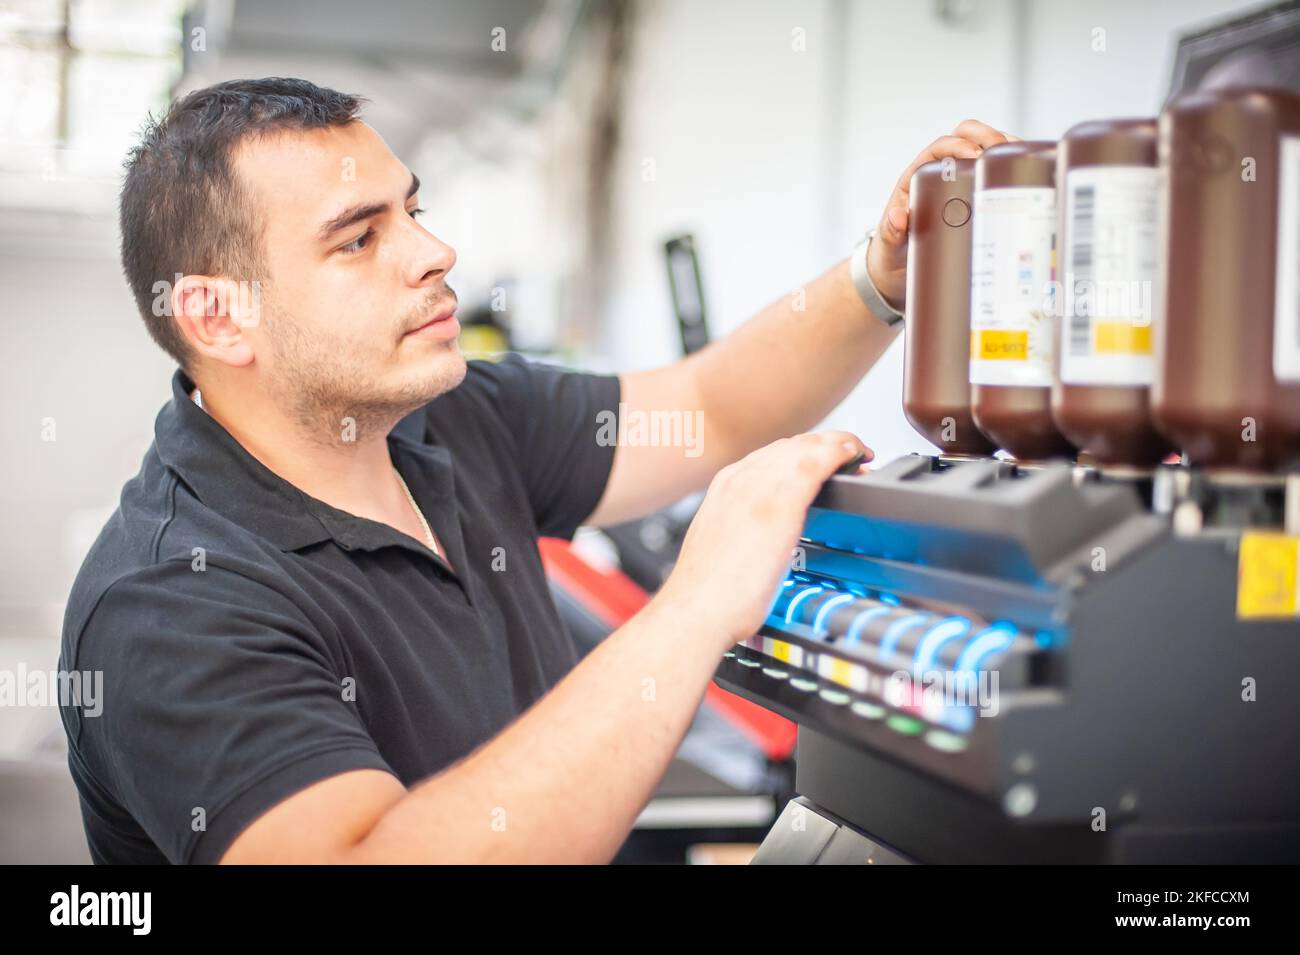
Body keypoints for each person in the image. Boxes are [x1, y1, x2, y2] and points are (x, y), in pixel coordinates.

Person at [57, 77, 1013, 863]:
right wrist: (699, 601)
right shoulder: (169, 600)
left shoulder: (456, 418)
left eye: (413, 211)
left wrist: (881, 279)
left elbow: (713, 407)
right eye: (359, 237)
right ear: (218, 317)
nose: (435, 253)